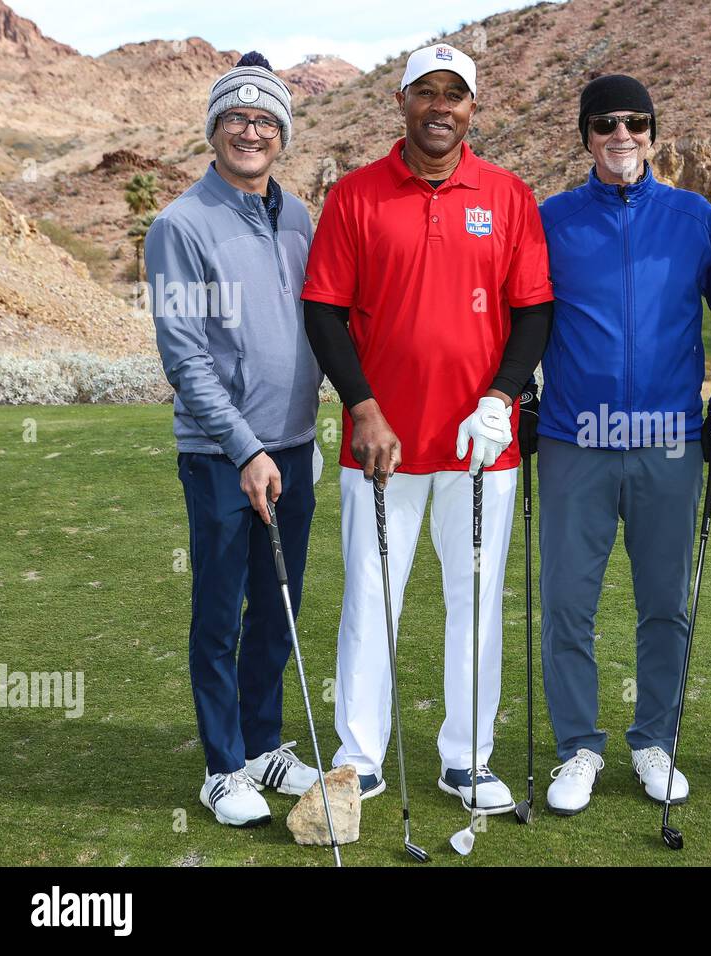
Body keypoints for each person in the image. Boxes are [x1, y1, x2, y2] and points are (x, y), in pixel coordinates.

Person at [302, 44, 554, 815]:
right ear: (402, 102)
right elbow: (323, 310)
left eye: (456, 95)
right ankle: (359, 756)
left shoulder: (507, 195)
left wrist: (502, 396)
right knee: (371, 597)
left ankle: (466, 759)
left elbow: (534, 308)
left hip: (482, 446)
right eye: (426, 93)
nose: (440, 107)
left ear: (473, 108)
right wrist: (363, 407)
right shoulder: (356, 195)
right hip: (380, 449)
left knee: (474, 600)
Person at [531, 75, 711, 816]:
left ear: (653, 133)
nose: (620, 136)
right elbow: (518, 318)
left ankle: (654, 739)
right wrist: (519, 396)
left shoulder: (694, 217)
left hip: (668, 442)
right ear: (585, 136)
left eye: (635, 123)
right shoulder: (551, 219)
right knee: (567, 604)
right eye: (604, 124)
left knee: (665, 603)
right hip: (574, 441)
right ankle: (578, 749)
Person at [147, 52, 324, 827]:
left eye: (264, 120)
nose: (249, 131)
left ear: (281, 133)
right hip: (223, 454)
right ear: (214, 130)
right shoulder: (179, 225)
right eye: (235, 118)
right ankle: (222, 767)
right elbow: (183, 356)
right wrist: (245, 447)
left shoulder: (298, 216)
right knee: (221, 610)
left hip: (292, 444)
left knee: (277, 606)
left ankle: (263, 744)